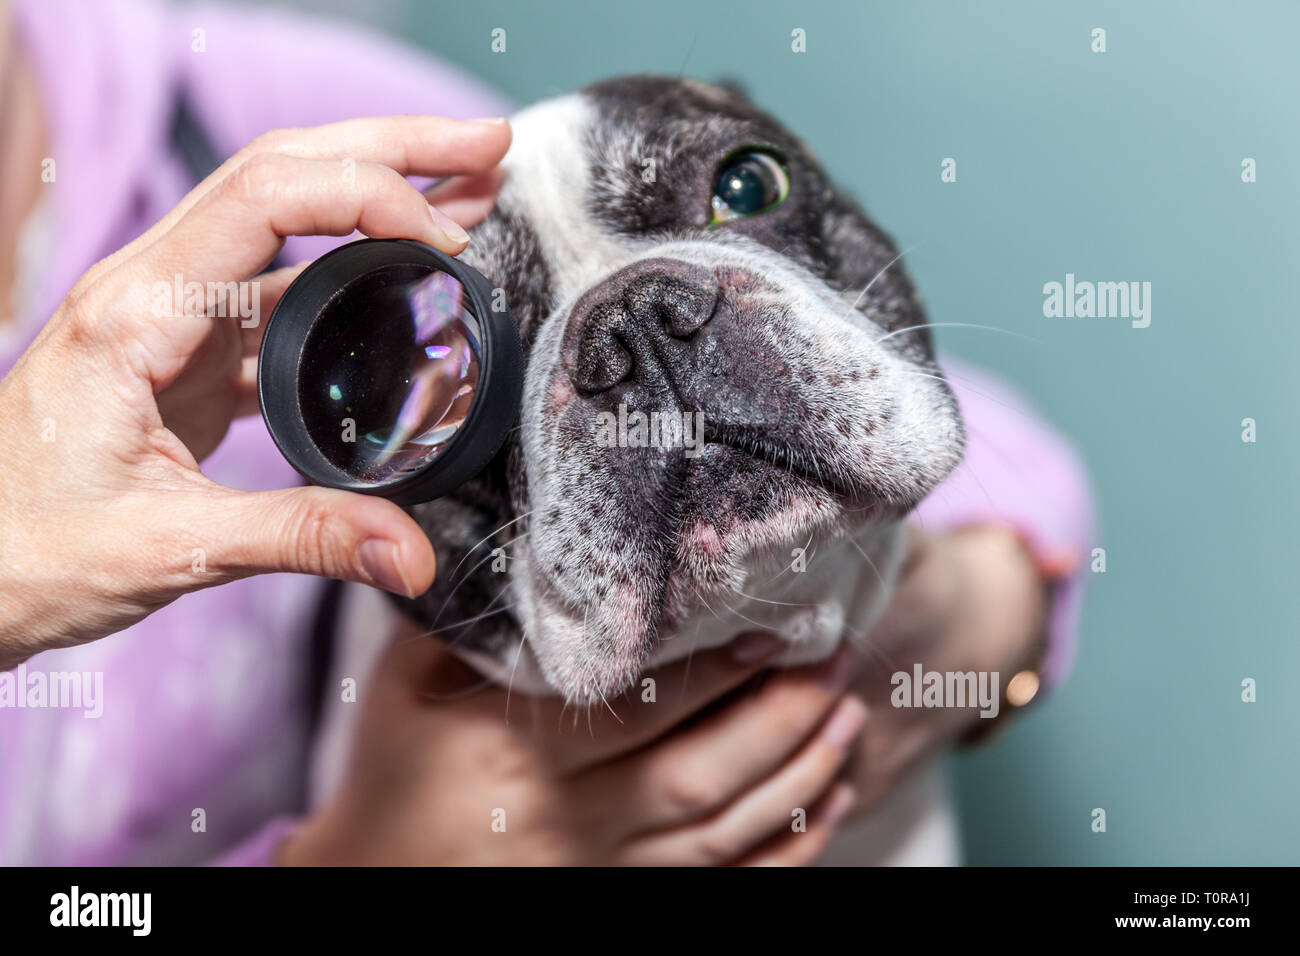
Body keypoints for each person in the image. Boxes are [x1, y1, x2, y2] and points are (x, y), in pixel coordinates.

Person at [0, 0, 1093, 865]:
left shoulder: (254, 109)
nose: (648, 346)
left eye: (736, 188)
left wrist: (977, 614)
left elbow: (994, 450)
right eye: (470, 371)